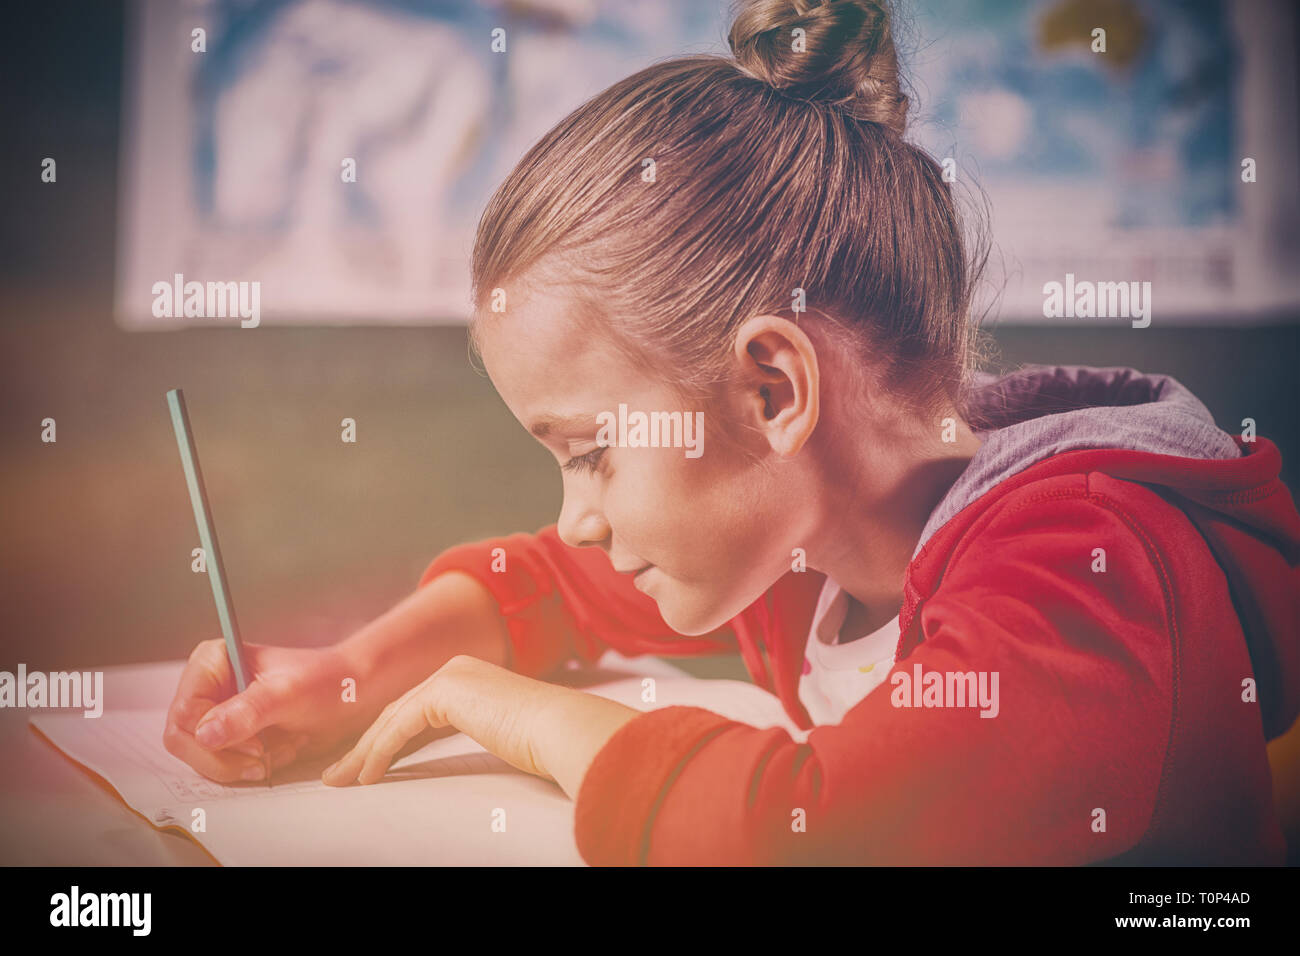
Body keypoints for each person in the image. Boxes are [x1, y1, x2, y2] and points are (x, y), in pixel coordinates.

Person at [164, 0, 1300, 865]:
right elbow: (551, 582)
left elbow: (808, 828)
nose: (580, 515)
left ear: (770, 389)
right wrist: (351, 674)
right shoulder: (797, 540)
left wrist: (521, 714)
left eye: (590, 451)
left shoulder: (1080, 567)